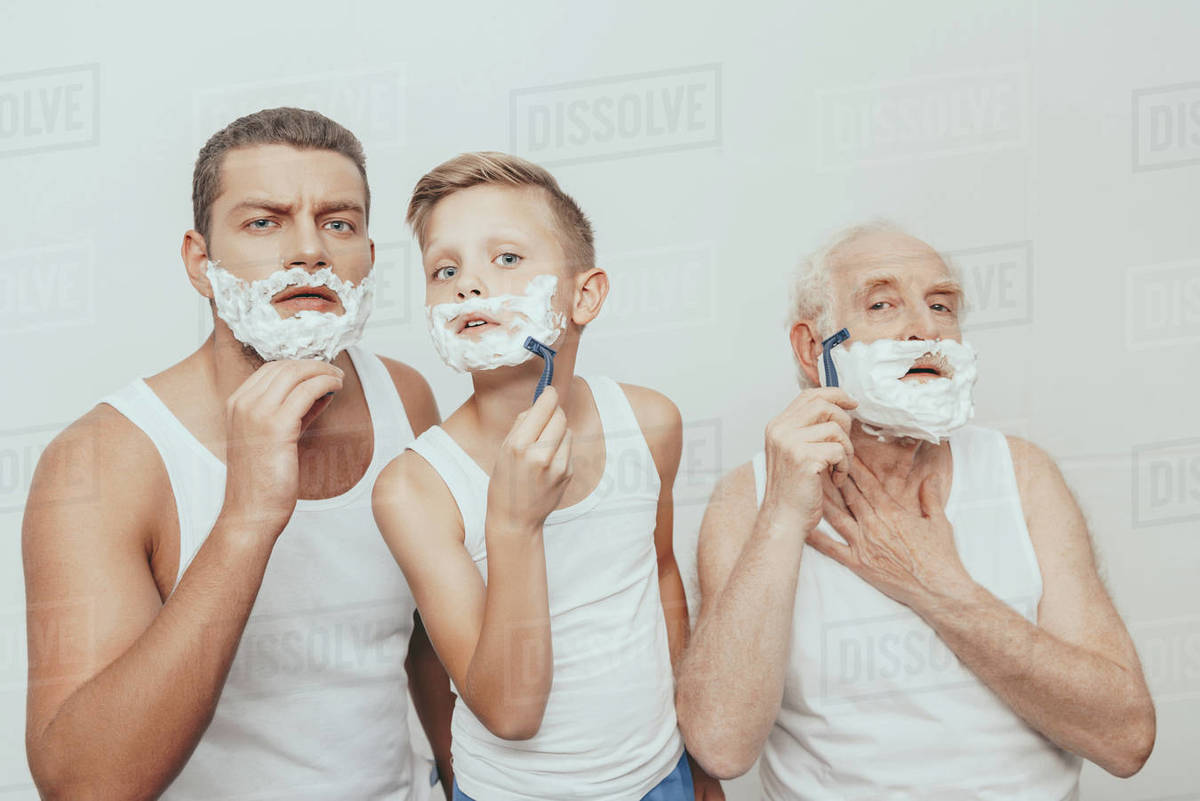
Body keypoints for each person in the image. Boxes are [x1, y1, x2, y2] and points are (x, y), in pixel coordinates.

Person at [22, 107, 454, 800]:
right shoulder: (106, 459)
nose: (309, 250)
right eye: (264, 222)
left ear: (369, 257)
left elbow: (432, 645)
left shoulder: (406, 398)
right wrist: (246, 519)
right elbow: (84, 785)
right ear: (201, 263)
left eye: (338, 223)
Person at [675, 221, 1156, 799]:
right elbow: (721, 747)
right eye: (882, 304)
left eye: (941, 305)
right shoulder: (747, 500)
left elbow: (1126, 739)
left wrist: (939, 587)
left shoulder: (1022, 477)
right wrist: (780, 517)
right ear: (812, 349)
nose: (925, 330)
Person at [372, 152, 723, 801]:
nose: (468, 284)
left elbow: (661, 572)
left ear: (584, 295)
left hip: (660, 775)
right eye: (445, 269)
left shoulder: (649, 423)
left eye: (506, 257)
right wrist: (513, 523)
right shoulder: (416, 490)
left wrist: (696, 756)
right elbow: (510, 713)